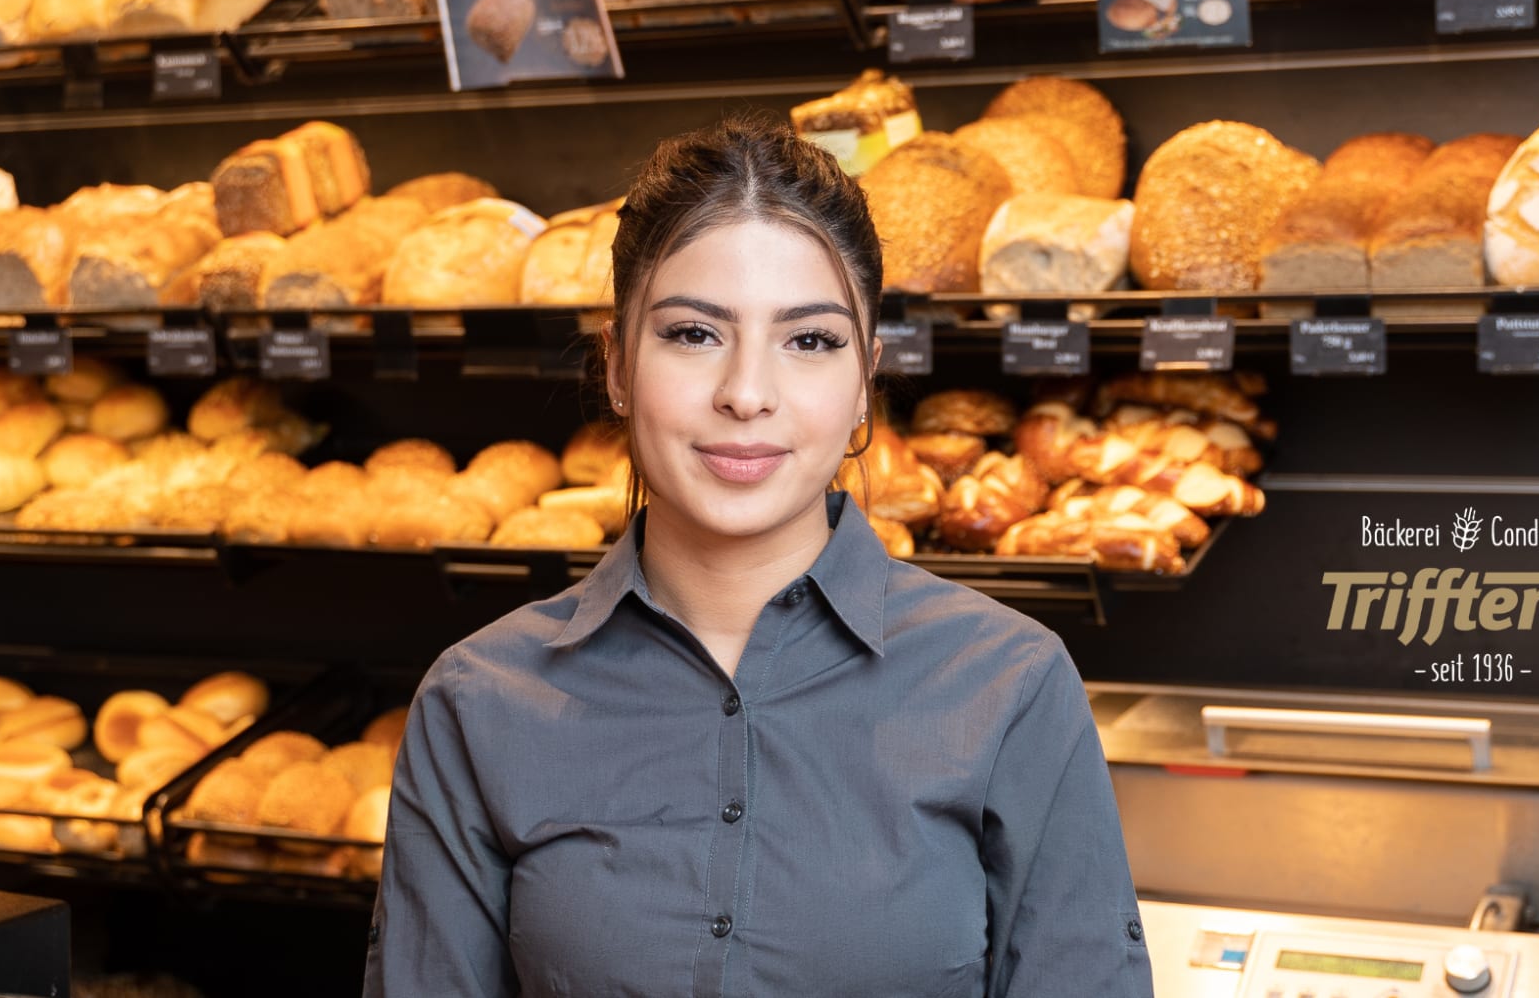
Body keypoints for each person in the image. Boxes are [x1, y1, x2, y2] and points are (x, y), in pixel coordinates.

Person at [365, 114, 1155, 997]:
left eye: (810, 341)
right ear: (618, 366)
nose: (747, 393)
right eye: (694, 334)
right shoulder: (478, 703)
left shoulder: (1009, 684)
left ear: (863, 383)